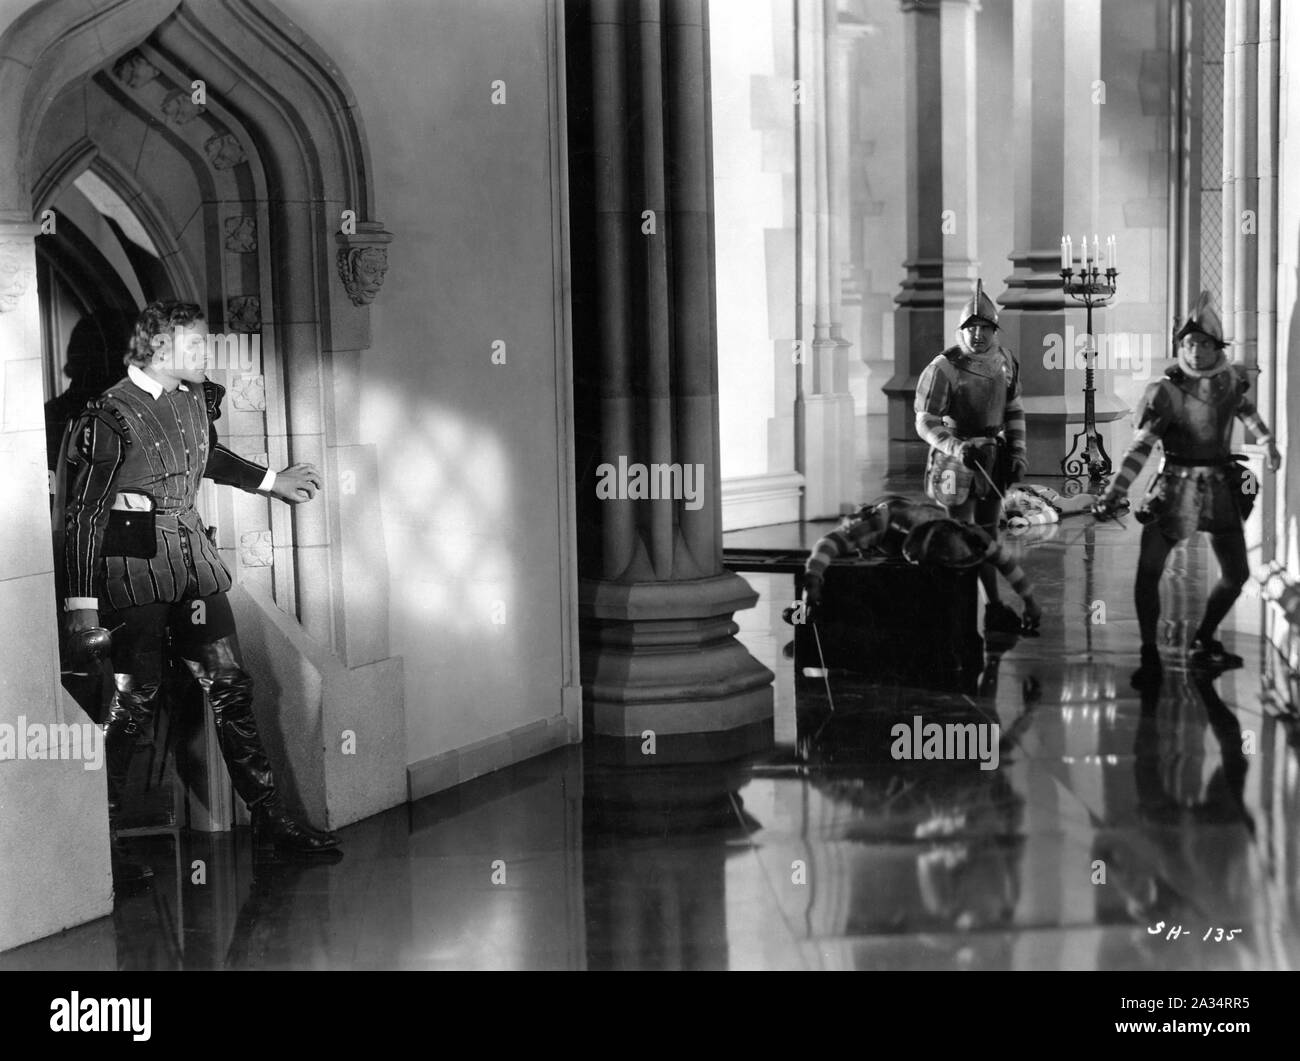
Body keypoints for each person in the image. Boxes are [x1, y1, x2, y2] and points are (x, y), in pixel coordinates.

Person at [61, 300, 339, 880]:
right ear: (159, 348)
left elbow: (205, 456)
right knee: (133, 701)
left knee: (232, 683)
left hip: (192, 566)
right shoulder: (106, 416)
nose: (206, 354)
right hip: (130, 574)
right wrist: (82, 604)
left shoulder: (192, 399)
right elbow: (84, 515)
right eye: (194, 345)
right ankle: (100, 843)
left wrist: (270, 482)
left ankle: (270, 821)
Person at [1093, 292, 1281, 677]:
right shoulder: (1166, 390)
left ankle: (1204, 637)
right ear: (1181, 346)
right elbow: (1140, 446)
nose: (1195, 351)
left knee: (1237, 573)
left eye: (1204, 343)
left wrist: (1267, 441)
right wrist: (1116, 489)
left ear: (1217, 348)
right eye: (1189, 343)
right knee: (1149, 570)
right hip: (1173, 487)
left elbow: (1245, 409)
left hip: (1218, 487)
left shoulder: (1230, 380)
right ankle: (1148, 649)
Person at [914, 279, 1028, 633]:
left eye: (985, 327)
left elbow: (1013, 409)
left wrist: (1019, 451)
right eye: (972, 327)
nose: (978, 334)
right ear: (962, 329)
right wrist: (956, 447)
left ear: (995, 329)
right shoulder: (944, 367)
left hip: (992, 453)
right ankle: (952, 611)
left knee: (988, 536)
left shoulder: (1005, 361)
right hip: (957, 458)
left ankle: (993, 606)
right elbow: (925, 422)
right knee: (959, 535)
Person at [798, 495, 1042, 633]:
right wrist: (813, 579)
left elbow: (1004, 561)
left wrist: (1030, 603)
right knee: (847, 581)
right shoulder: (878, 524)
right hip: (876, 556)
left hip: (912, 555)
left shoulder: (967, 536)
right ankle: (805, 613)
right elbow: (828, 544)